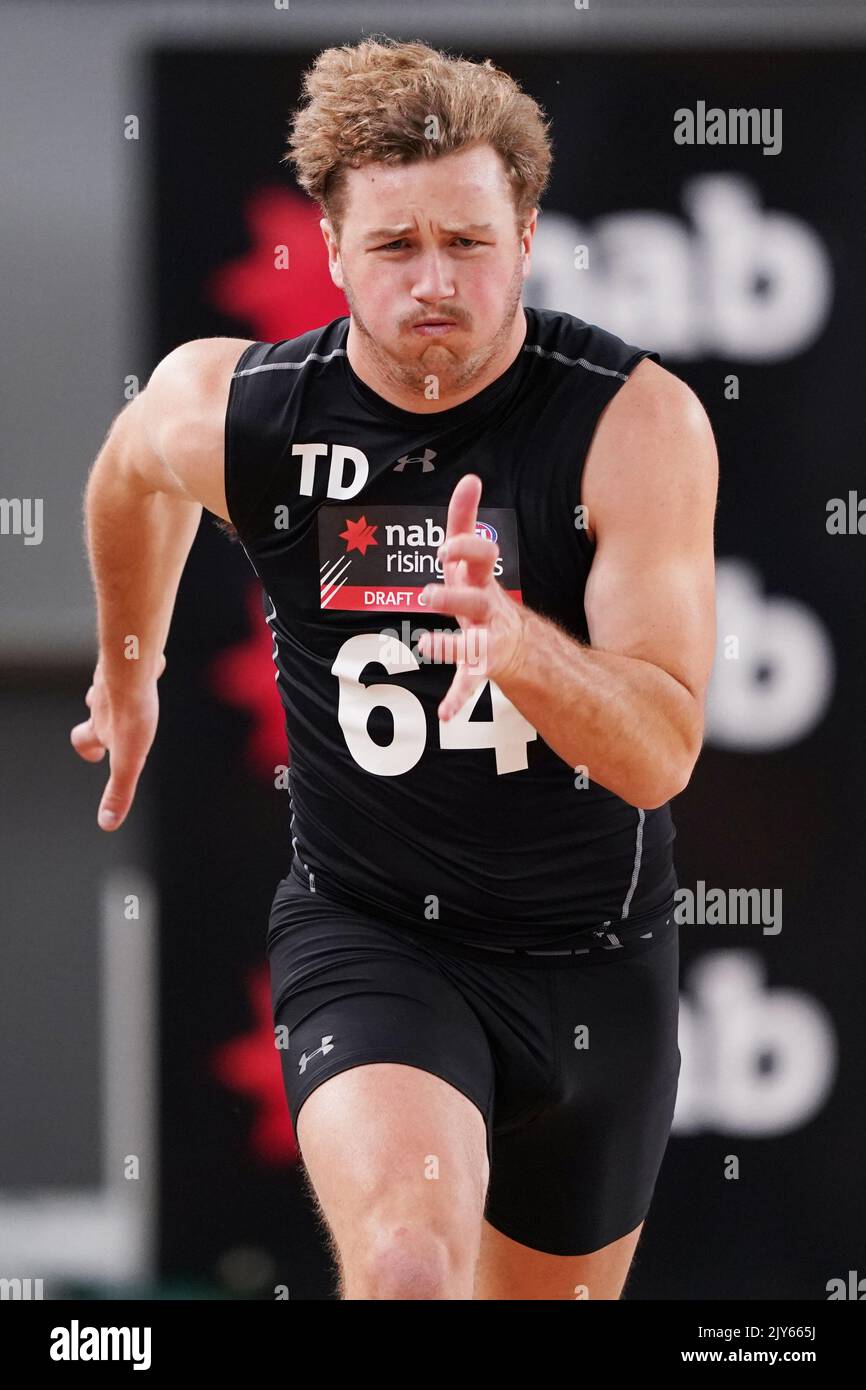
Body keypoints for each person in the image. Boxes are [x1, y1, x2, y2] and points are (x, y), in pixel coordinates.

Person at [71, 37, 718, 1299]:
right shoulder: (250, 410)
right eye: (394, 246)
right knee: (409, 1269)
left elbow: (658, 754)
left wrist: (514, 637)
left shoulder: (629, 424)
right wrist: (128, 663)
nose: (433, 283)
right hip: (374, 940)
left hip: (593, 966)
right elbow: (127, 469)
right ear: (329, 251)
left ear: (526, 234)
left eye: (467, 243)